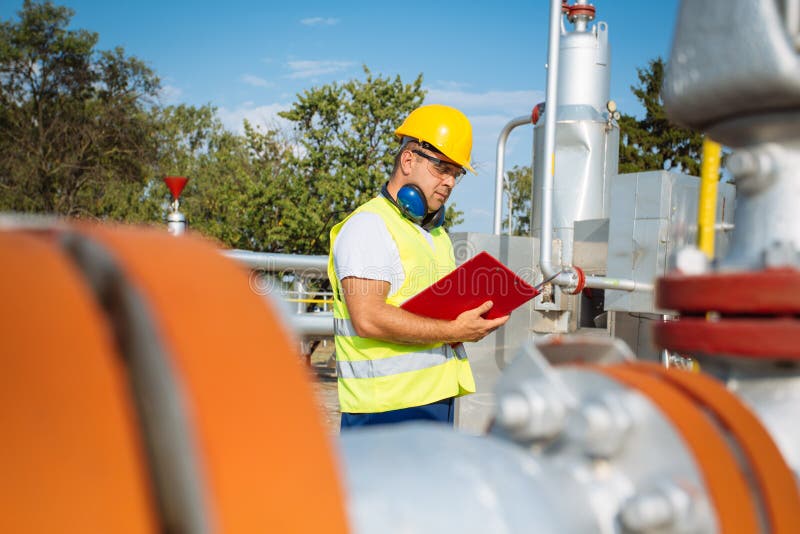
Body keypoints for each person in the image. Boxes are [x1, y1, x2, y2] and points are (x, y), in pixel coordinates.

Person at [327, 104, 509, 430]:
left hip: (433, 405)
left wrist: (470, 321)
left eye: (456, 173)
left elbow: (436, 314)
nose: (450, 182)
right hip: (383, 412)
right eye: (442, 168)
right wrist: (453, 331)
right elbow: (368, 318)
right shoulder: (369, 226)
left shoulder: (435, 235)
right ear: (408, 160)